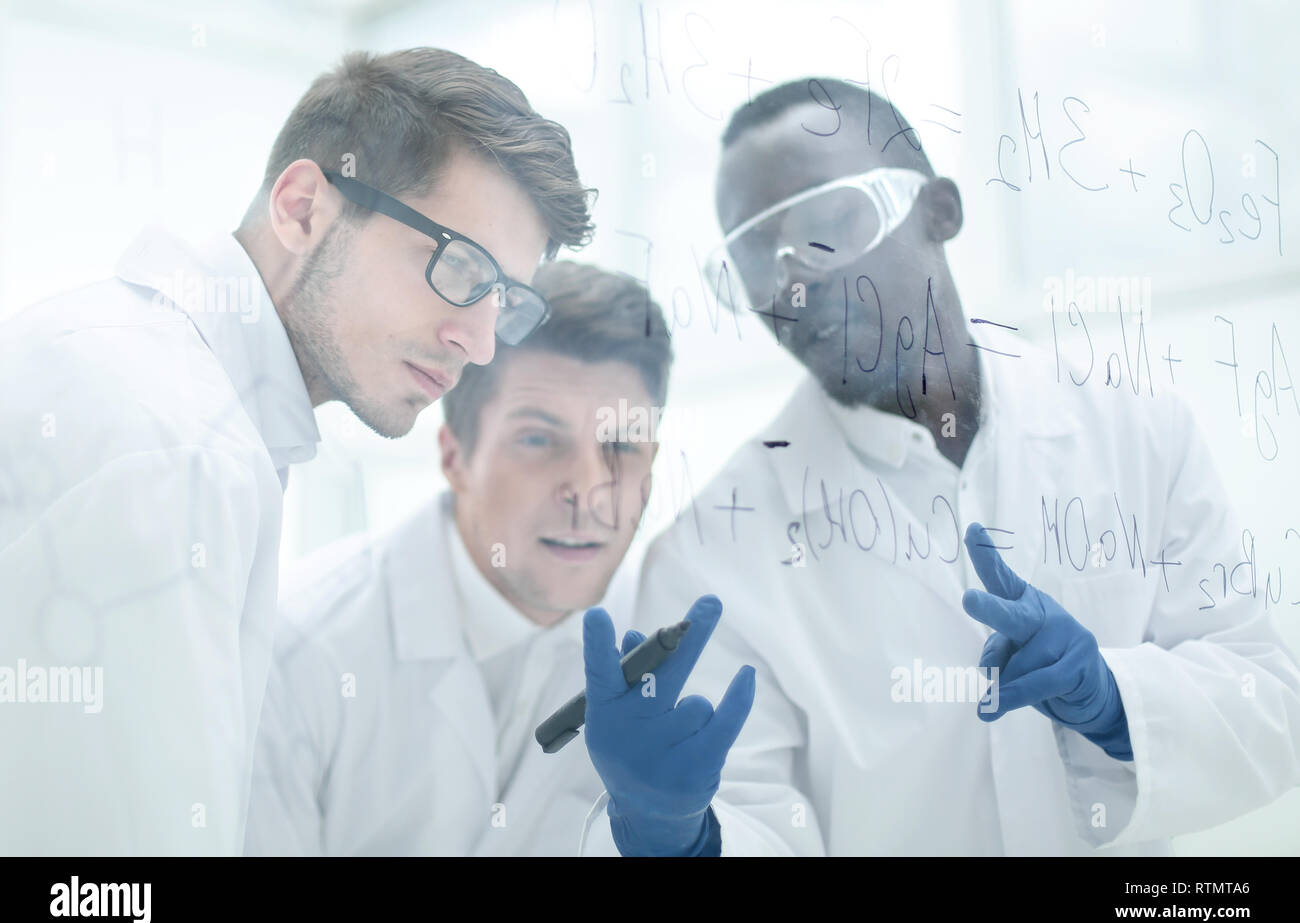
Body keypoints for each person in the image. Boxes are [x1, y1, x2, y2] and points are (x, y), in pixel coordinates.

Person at [594, 78, 1300, 856]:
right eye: (757, 261)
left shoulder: (1136, 426)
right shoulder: (708, 558)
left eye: (830, 225)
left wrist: (1115, 701)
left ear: (939, 210)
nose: (796, 282)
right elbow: (753, 821)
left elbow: (1269, 700)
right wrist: (681, 837)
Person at [0, 47, 593, 855]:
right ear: (304, 206)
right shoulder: (177, 444)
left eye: (506, 301)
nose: (481, 343)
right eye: (459, 268)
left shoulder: (168, 391)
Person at [244, 261, 677, 855]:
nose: (588, 488)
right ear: (454, 457)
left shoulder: (682, 654)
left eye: (622, 445)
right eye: (538, 439)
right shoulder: (297, 655)